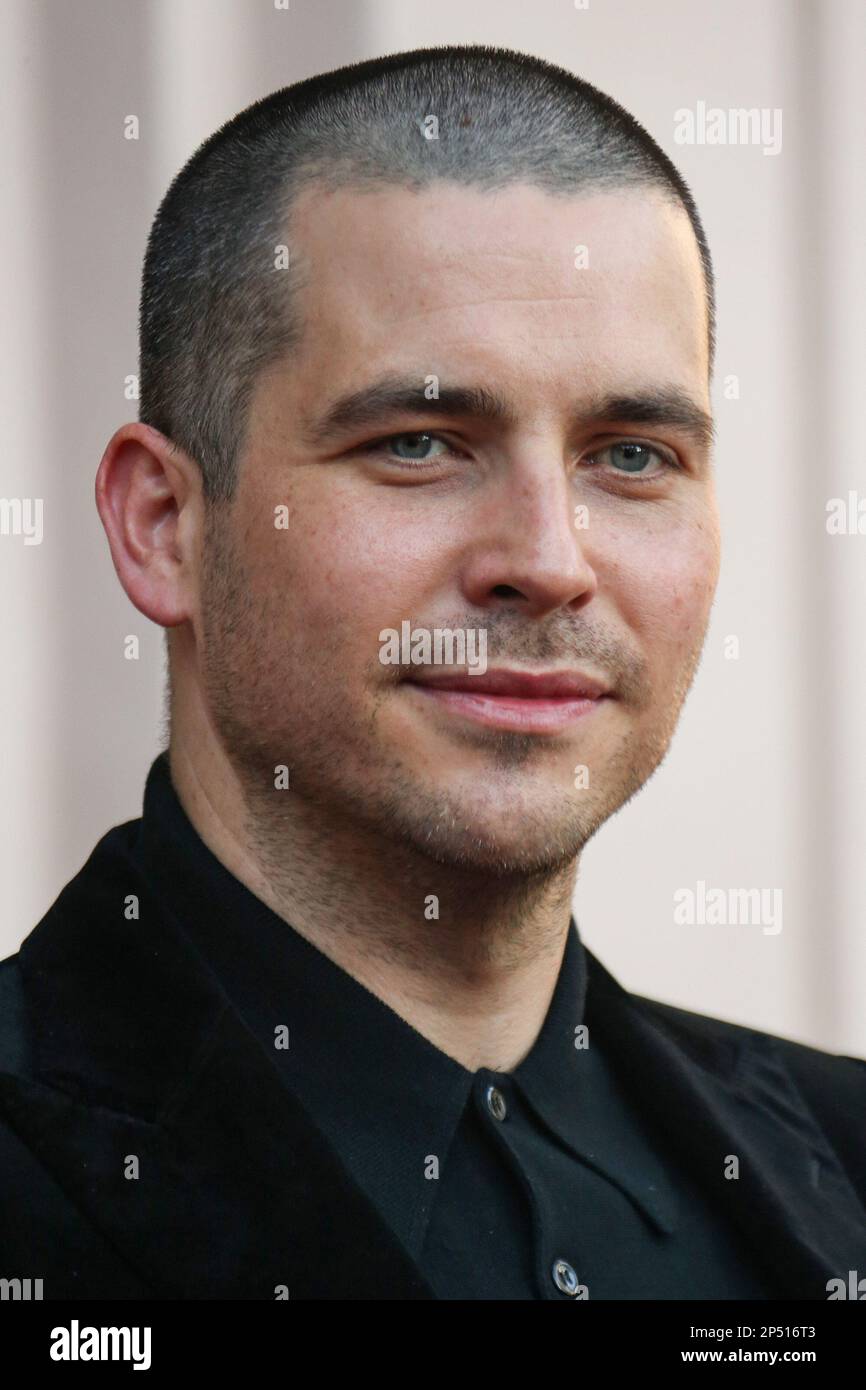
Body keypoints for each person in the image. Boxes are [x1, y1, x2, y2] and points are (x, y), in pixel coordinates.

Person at [1, 44, 864, 1301]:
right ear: (162, 526)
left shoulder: (840, 1153)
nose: (546, 560)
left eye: (629, 454)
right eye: (417, 441)